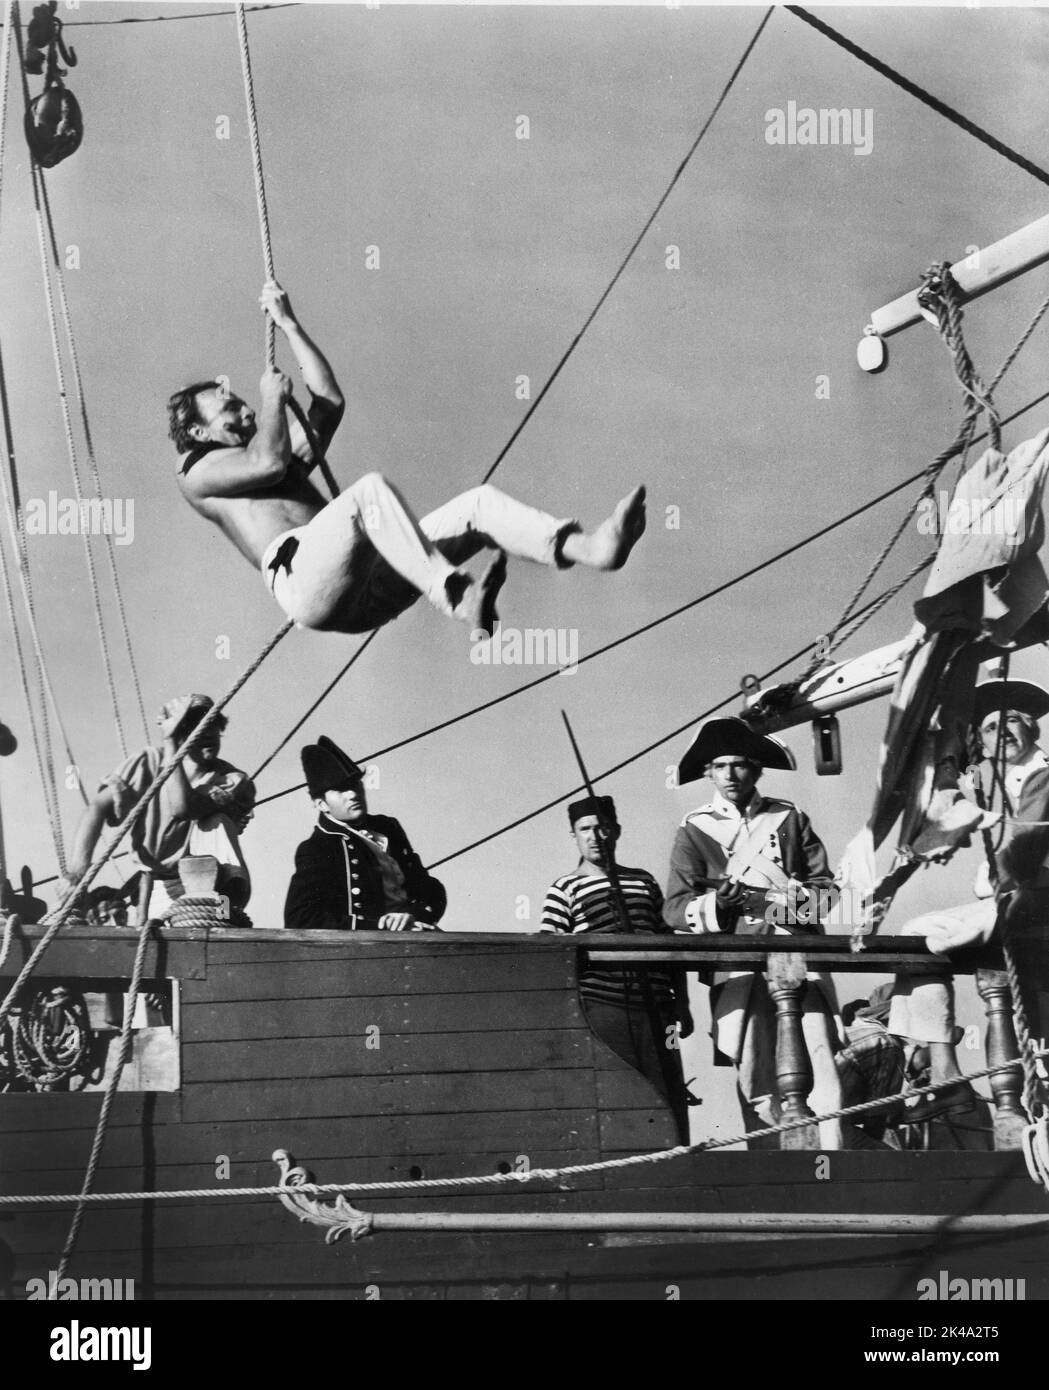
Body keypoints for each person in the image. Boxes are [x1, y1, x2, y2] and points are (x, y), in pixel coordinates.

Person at [171, 282, 648, 640]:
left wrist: (290, 325)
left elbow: (329, 404)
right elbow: (268, 464)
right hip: (304, 583)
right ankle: (458, 597)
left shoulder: (276, 456)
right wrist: (272, 398)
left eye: (239, 400)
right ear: (198, 432)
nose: (241, 407)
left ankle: (591, 549)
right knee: (368, 493)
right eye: (226, 405)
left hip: (364, 582)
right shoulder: (196, 471)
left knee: (478, 506)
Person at [663, 716, 845, 1149]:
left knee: (821, 1065)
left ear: (756, 770)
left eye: (739, 764)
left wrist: (788, 901)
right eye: (720, 766)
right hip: (737, 968)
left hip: (799, 958)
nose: (730, 775)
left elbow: (828, 891)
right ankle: (774, 1169)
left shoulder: (790, 818)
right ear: (708, 772)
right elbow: (674, 908)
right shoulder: (694, 828)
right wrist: (719, 906)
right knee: (755, 1077)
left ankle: (831, 1165)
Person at [888, 677, 1049, 1120]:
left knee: (931, 938)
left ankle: (940, 1071)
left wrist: (989, 874)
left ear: (1032, 728)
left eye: (1013, 721)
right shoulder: (993, 781)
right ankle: (942, 1071)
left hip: (1037, 900)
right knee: (916, 935)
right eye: (992, 727)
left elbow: (1022, 852)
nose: (1004, 732)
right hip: (1017, 902)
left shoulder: (1044, 776)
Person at [540, 795, 692, 1143]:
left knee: (667, 1093)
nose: (595, 837)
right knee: (614, 1096)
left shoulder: (644, 882)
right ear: (574, 836)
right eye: (585, 829)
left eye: (602, 827)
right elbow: (550, 959)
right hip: (601, 1010)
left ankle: (674, 1163)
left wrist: (683, 1004)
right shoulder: (564, 889)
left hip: (656, 1011)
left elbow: (669, 945)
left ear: (616, 831)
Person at [62, 694, 255, 920]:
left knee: (217, 823)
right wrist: (77, 876)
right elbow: (97, 808)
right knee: (149, 939)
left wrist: (170, 743)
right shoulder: (149, 762)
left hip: (215, 889)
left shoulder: (232, 779)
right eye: (195, 726)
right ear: (180, 732)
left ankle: (225, 917)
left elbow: (182, 808)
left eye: (212, 724)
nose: (208, 733)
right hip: (156, 889)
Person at [284, 735, 445, 931]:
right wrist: (380, 926)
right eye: (340, 790)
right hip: (367, 945)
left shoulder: (388, 827)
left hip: (418, 933)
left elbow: (430, 889)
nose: (352, 794)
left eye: (354, 784)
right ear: (321, 804)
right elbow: (300, 918)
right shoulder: (317, 848)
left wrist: (414, 914)